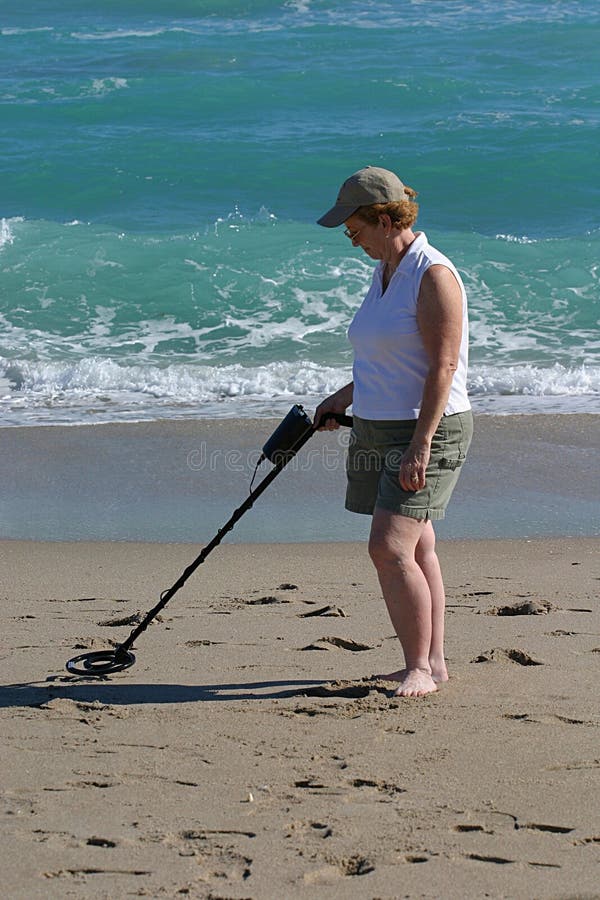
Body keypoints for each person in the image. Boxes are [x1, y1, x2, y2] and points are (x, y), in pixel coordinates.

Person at [313, 165, 473, 698]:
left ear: (383, 218)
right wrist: (344, 397)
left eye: (354, 227)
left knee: (389, 548)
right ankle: (434, 661)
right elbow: (385, 356)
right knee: (419, 546)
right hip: (378, 426)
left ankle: (419, 670)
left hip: (427, 429)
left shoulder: (432, 275)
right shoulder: (384, 269)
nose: (349, 238)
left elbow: (442, 368)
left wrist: (421, 446)